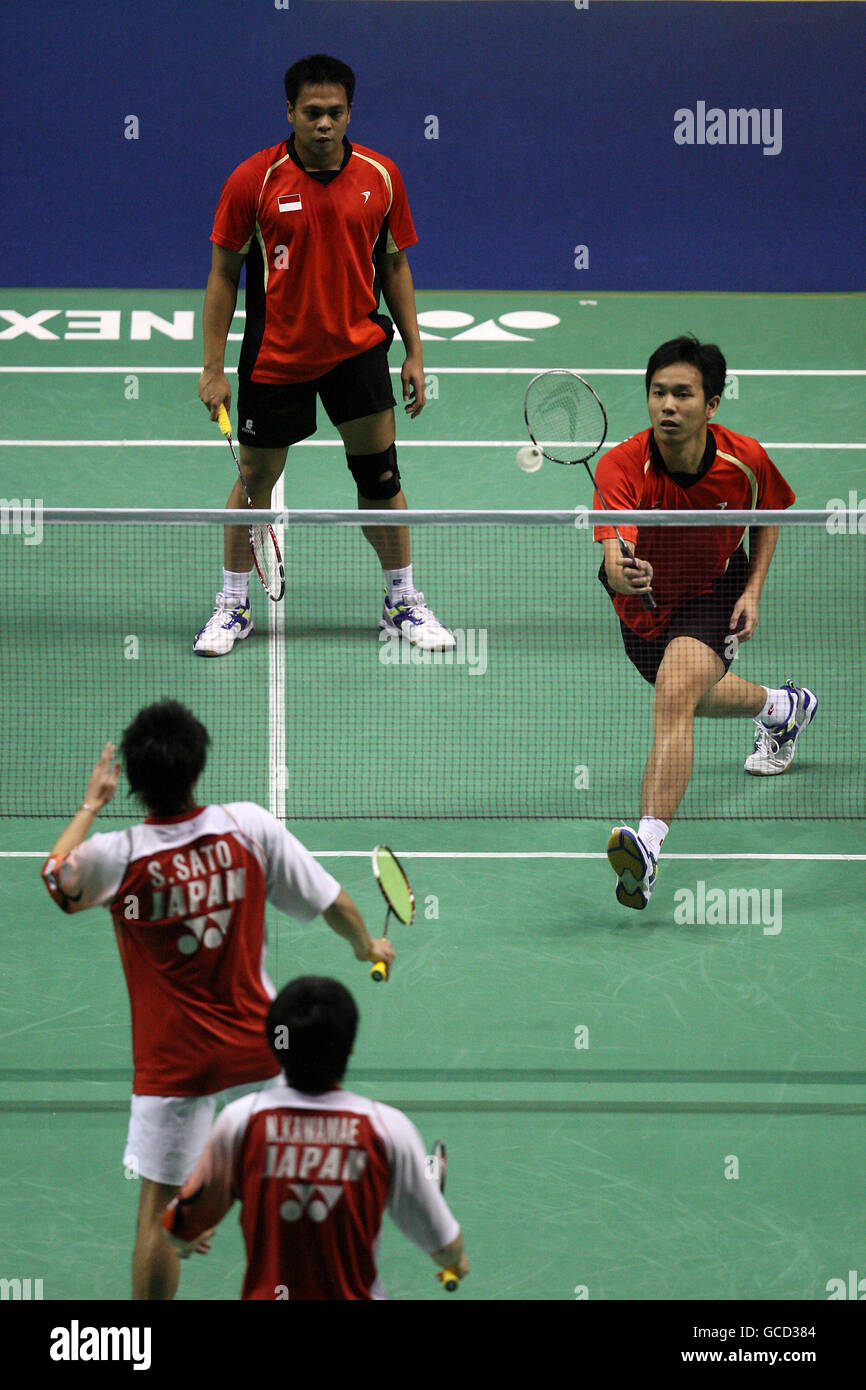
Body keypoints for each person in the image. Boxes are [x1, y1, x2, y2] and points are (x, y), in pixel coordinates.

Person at [40, 701, 394, 1299]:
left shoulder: (114, 856)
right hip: (264, 1047)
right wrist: (367, 947)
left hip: (173, 1065)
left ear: (133, 777)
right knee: (296, 1174)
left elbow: (56, 878)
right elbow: (335, 903)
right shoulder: (248, 827)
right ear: (197, 767)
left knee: (156, 1215)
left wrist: (91, 804)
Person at [195, 52, 453, 657]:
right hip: (276, 355)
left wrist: (415, 351)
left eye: (335, 112)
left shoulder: (380, 175)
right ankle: (232, 603)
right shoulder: (253, 181)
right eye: (312, 112)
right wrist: (212, 367)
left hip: (356, 350)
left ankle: (402, 600)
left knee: (380, 477)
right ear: (289, 111)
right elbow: (222, 275)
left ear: (349, 112)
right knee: (256, 480)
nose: (324, 124)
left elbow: (394, 263)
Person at [594, 335, 816, 910]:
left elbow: (768, 514)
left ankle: (647, 844)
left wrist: (753, 590)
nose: (668, 405)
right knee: (689, 695)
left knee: (673, 697)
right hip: (642, 608)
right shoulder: (622, 464)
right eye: (658, 393)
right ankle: (783, 708)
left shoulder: (744, 459)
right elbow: (613, 555)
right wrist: (623, 575)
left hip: (713, 589)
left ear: (711, 404)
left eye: (683, 394)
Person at [162, 975, 468, 1300]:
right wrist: (455, 1260)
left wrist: (187, 1239)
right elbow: (446, 1247)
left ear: (275, 1044)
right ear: (349, 1047)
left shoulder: (240, 1123)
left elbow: (179, 1228)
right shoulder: (388, 1129)